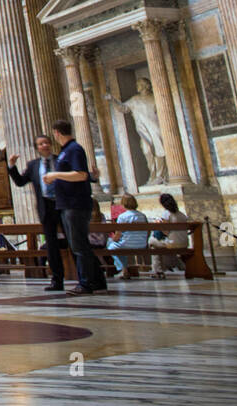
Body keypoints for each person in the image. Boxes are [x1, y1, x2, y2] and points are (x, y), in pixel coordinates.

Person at [43, 119, 107, 296]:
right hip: (68, 203)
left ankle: (86, 283)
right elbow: (84, 175)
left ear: (56, 133)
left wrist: (55, 175)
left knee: (79, 246)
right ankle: (98, 281)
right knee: (78, 244)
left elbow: (80, 175)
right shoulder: (66, 151)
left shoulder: (74, 149)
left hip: (75, 204)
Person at [9, 134, 66, 290]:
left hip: (63, 205)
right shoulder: (33, 165)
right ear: (37, 148)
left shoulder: (60, 160)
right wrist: (12, 166)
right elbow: (20, 182)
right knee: (51, 245)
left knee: (72, 242)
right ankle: (57, 280)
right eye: (41, 143)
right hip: (46, 207)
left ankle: (83, 277)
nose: (44, 145)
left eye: (47, 142)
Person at [107, 193, 149, 279]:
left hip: (127, 244)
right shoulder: (142, 215)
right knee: (120, 245)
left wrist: (113, 239)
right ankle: (125, 269)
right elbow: (148, 231)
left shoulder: (122, 217)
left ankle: (123, 269)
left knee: (111, 246)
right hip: (142, 244)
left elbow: (118, 235)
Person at [149, 193, 189, 278]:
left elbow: (165, 232)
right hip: (184, 242)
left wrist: (158, 224)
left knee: (152, 242)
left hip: (173, 243)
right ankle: (172, 265)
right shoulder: (181, 214)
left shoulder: (166, 214)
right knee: (160, 246)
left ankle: (158, 271)